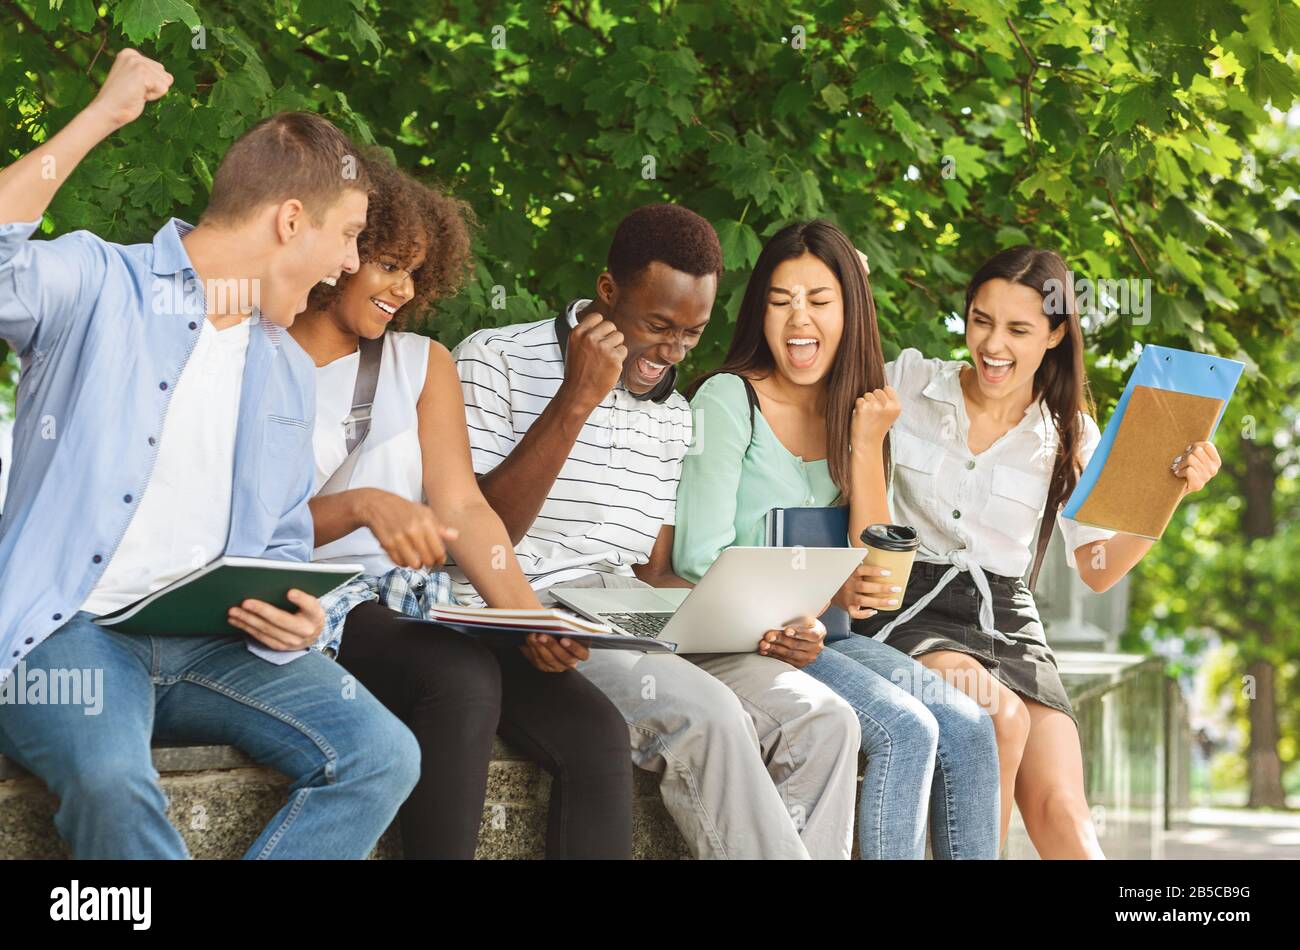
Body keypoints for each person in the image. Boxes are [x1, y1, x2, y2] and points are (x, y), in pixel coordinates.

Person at [0, 50, 419, 859]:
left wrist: (303, 618)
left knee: (382, 754)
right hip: (71, 634)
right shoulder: (103, 285)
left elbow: (283, 544)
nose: (347, 263)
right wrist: (102, 115)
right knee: (112, 783)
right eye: (348, 236)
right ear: (290, 220)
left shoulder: (285, 370)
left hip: (214, 642)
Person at [452, 203, 862, 859]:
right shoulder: (494, 360)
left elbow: (655, 571)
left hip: (626, 615)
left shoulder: (673, 415)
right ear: (608, 292)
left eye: (693, 334)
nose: (671, 353)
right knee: (710, 717)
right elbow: (472, 532)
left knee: (824, 719)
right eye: (658, 326)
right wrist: (577, 399)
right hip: (524, 611)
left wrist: (766, 619)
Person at [289, 153, 632, 859]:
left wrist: (528, 619)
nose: (402, 287)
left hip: (417, 604)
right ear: (341, 253)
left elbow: (466, 511)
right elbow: (255, 530)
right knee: (459, 677)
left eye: (414, 271)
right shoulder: (258, 353)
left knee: (596, 728)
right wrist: (362, 507)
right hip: (316, 603)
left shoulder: (422, 362)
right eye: (387, 263)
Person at [848, 245, 1221, 857]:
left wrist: (1169, 495)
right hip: (912, 602)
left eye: (1019, 329)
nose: (994, 344)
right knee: (998, 719)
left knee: (1065, 812)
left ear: (1054, 334)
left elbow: (1096, 571)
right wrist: (846, 275)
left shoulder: (1070, 433)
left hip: (1007, 617)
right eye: (981, 320)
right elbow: (834, 365)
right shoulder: (910, 380)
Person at [674, 219, 1001, 859]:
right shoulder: (727, 398)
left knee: (967, 727)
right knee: (905, 730)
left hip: (829, 635)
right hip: (750, 640)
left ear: (849, 312)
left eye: (819, 301)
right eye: (780, 300)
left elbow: (873, 582)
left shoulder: (852, 411)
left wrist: (864, 444)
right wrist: (815, 595)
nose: (800, 318)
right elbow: (695, 557)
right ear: (759, 314)